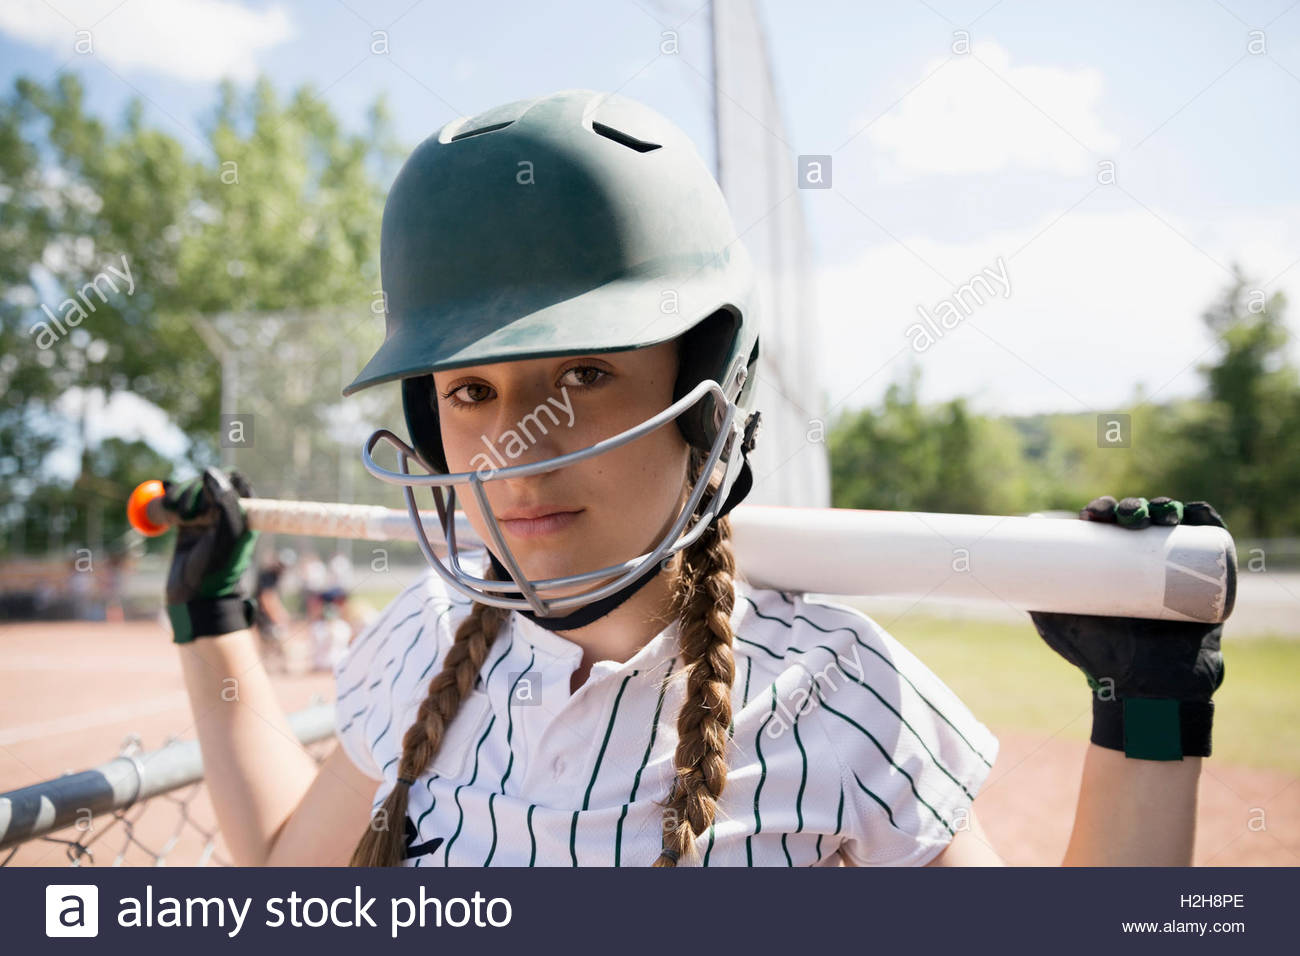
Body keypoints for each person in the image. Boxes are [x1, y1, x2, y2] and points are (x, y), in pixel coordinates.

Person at [161, 89, 1227, 868]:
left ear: (709, 394)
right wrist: (213, 616)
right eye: (471, 391)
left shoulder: (839, 694)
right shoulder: (423, 636)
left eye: (585, 370)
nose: (518, 446)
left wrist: (1146, 715)